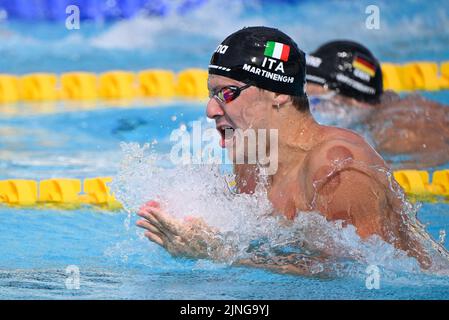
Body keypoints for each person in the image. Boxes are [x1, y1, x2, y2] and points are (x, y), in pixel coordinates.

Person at [136, 27, 443, 276]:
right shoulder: (250, 155)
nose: (210, 109)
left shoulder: (340, 172)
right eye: (211, 94)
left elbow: (356, 277)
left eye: (227, 93)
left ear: (279, 93)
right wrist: (196, 225)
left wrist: (216, 253)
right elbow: (257, 234)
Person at [306, 40, 449, 169]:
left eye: (315, 101)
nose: (311, 109)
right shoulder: (392, 106)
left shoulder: (392, 131)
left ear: (353, 101)